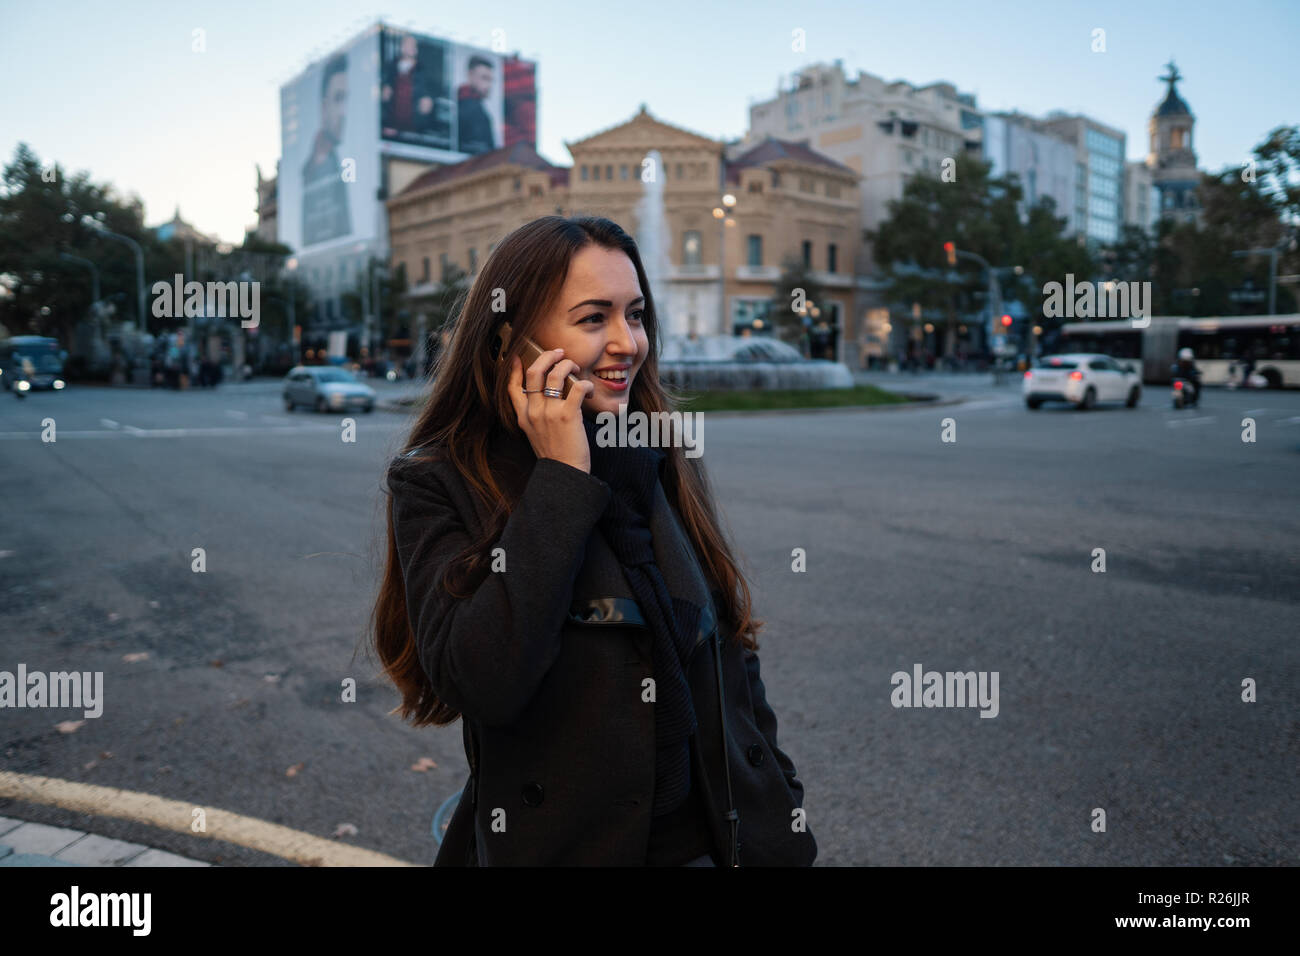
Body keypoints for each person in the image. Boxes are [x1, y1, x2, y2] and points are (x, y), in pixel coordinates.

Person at [371, 216, 816, 867]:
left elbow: (727, 650)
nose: (626, 342)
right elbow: (484, 680)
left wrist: (782, 807)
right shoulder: (441, 481)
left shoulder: (660, 451)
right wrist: (559, 478)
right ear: (511, 342)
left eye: (635, 315)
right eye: (592, 318)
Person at [301, 53, 352, 246]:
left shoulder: (343, 163)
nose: (343, 112)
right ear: (323, 107)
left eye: (346, 99)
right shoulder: (307, 170)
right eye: (338, 99)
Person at [456, 55, 497, 154]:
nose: (488, 85)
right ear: (470, 75)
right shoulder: (464, 106)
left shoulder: (479, 108)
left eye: (490, 80)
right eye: (484, 78)